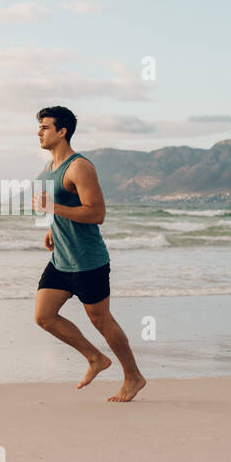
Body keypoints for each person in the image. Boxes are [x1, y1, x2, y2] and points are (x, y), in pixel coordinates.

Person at [31, 106, 146, 403]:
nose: (39, 132)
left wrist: (53, 209)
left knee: (101, 321)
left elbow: (96, 213)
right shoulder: (50, 169)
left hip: (87, 261)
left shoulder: (79, 167)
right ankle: (95, 358)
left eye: (45, 127)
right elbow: (63, 210)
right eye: (39, 127)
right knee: (44, 317)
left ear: (62, 131)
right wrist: (52, 230)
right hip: (62, 260)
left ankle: (133, 376)